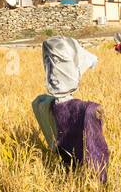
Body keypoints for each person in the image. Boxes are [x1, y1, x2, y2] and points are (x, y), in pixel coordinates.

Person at [32, 36, 110, 182]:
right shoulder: (87, 109)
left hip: (65, 169)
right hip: (85, 177)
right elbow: (97, 151)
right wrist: (100, 182)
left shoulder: (41, 104)